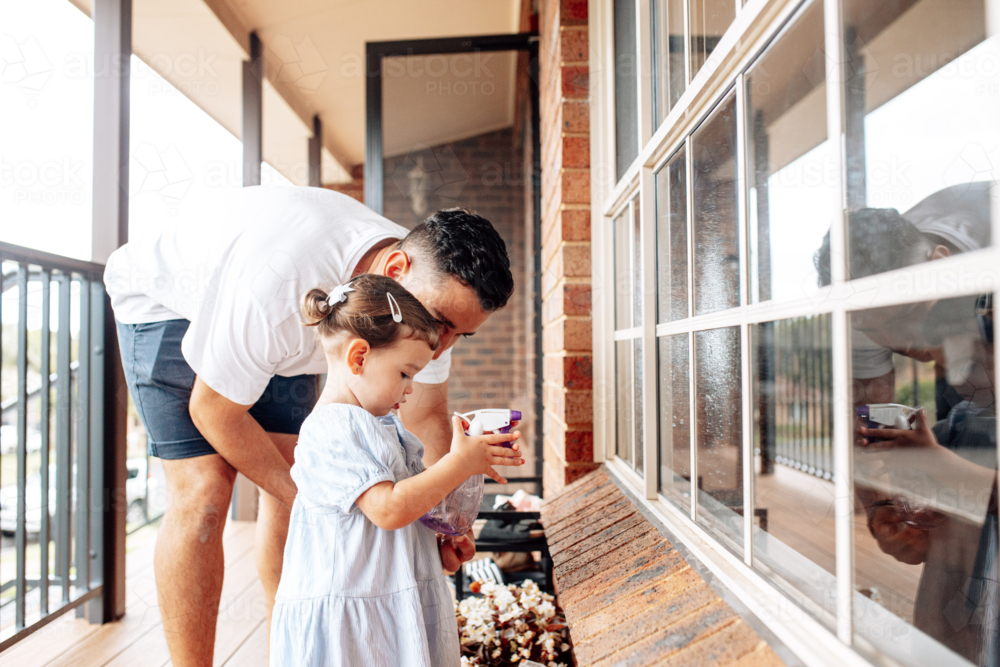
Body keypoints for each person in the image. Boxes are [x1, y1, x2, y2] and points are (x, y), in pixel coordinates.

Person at [103, 186, 515, 666]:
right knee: (206, 491)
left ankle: (300, 651)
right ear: (397, 270)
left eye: (459, 336)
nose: (442, 347)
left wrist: (441, 520)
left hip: (287, 329)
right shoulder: (274, 285)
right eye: (442, 324)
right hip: (167, 304)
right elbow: (213, 409)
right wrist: (329, 499)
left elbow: (424, 414)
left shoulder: (418, 312)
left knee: (295, 462)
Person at [269, 275, 523, 667]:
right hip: (352, 624)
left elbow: (410, 506)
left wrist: (440, 539)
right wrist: (459, 463)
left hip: (387, 603)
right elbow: (388, 510)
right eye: (405, 373)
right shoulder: (332, 429)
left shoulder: (385, 428)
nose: (409, 389)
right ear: (359, 357)